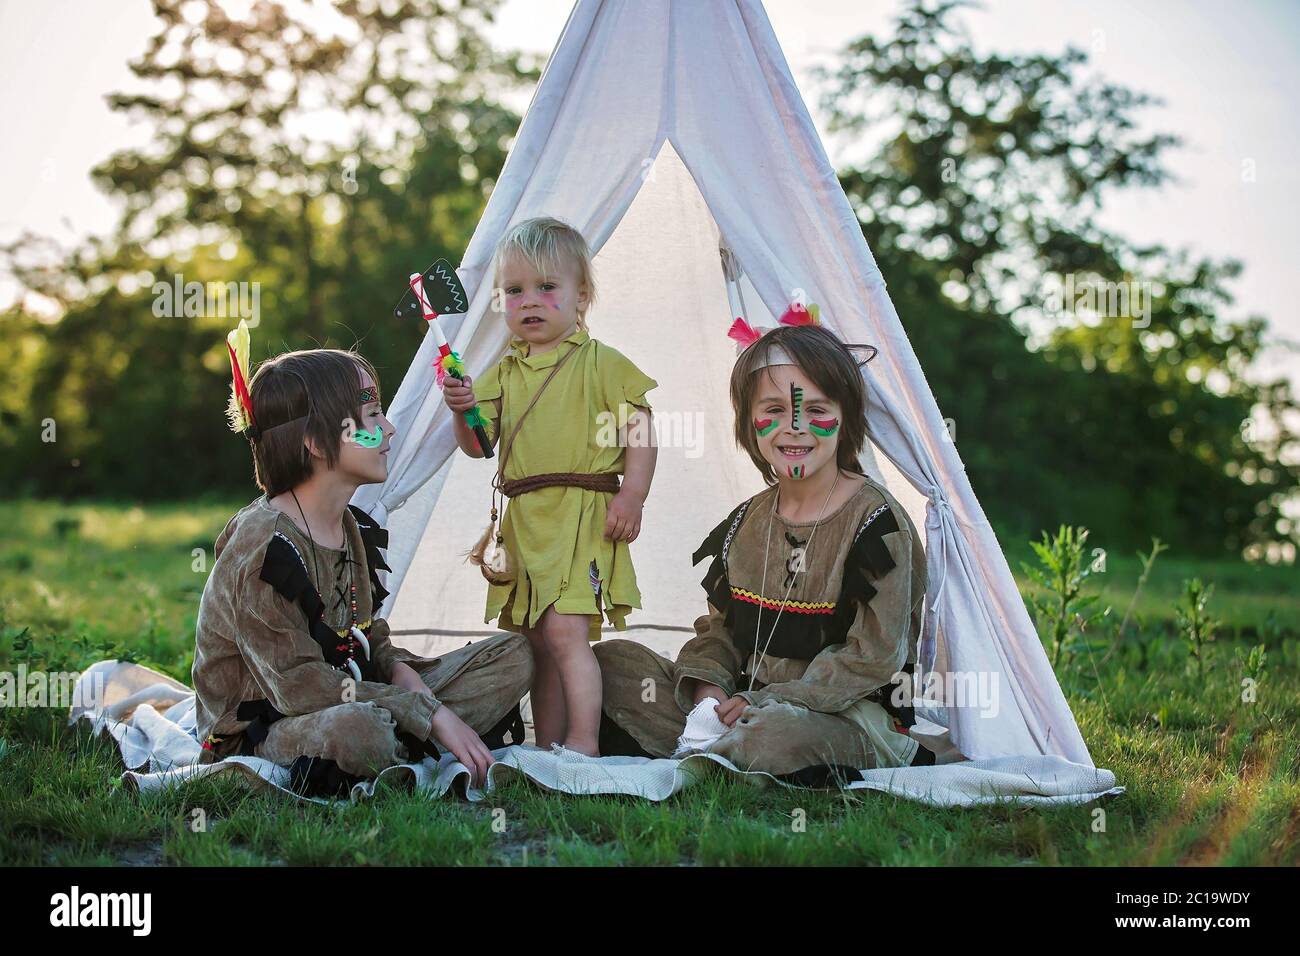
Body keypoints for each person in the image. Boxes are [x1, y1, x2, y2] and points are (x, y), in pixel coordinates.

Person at [192, 326, 533, 795]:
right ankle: (409, 745)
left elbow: (366, 634)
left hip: (356, 689)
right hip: (267, 723)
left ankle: (411, 744)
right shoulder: (263, 546)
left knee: (514, 656)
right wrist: (427, 712)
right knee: (360, 732)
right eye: (372, 415)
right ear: (315, 440)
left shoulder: (350, 523)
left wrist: (405, 678)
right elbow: (296, 687)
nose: (389, 428)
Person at [594, 317, 933, 780]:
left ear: (847, 417)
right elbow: (720, 632)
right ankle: (716, 745)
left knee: (772, 735)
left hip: (839, 714)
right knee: (609, 665)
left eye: (816, 411)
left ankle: (729, 752)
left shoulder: (877, 524)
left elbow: (872, 658)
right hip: (741, 701)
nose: (794, 428)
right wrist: (709, 694)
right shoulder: (748, 520)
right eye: (773, 409)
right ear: (748, 421)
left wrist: (762, 702)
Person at [443, 217, 659, 757]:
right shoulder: (502, 373)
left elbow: (642, 429)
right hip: (525, 519)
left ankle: (584, 743)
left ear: (580, 295)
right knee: (538, 643)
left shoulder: (601, 363)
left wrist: (632, 496)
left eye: (546, 287)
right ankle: (549, 744)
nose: (529, 301)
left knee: (567, 635)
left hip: (581, 516)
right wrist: (461, 412)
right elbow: (478, 446)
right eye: (514, 291)